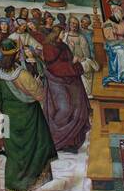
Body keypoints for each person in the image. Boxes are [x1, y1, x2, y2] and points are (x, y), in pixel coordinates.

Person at [0, 34, 57, 191]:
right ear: (14, 55)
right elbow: (40, 94)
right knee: (31, 153)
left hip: (8, 118)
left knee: (12, 155)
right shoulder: (22, 74)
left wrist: (8, 108)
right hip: (29, 117)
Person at [37, 24, 91, 152]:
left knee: (77, 108)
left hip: (70, 80)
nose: (64, 34)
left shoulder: (63, 45)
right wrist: (72, 63)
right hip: (57, 81)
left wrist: (74, 62)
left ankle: (70, 143)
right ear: (57, 33)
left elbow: (69, 60)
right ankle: (56, 139)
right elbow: (54, 66)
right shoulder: (49, 47)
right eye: (62, 32)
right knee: (64, 109)